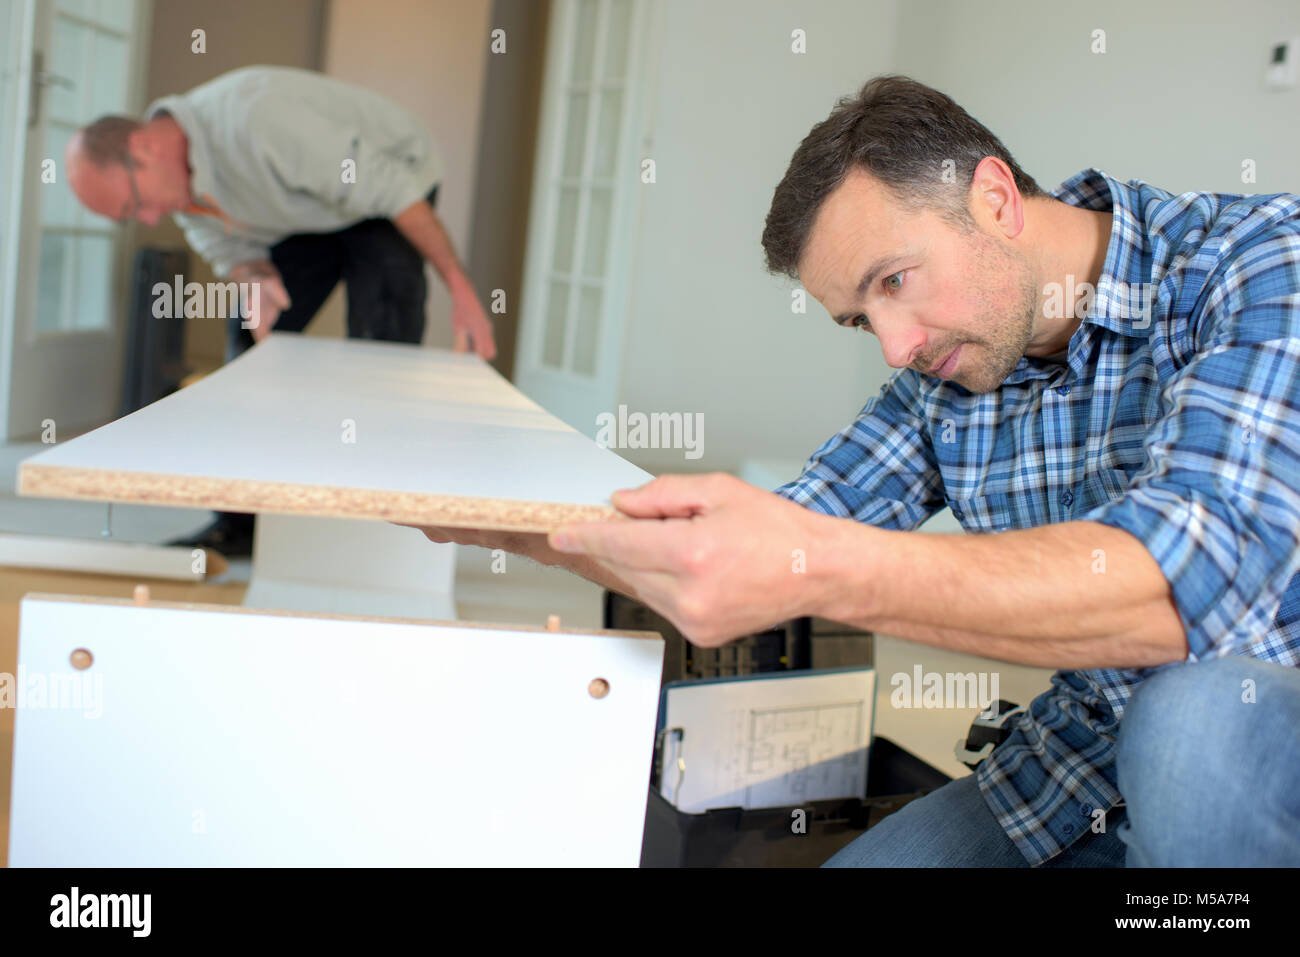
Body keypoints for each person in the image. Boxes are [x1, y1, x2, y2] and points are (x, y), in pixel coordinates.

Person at [414, 76, 1300, 867]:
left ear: (994, 198)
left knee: (1189, 724)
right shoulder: (950, 370)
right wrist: (507, 521)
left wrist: (820, 562)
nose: (898, 345)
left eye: (897, 279)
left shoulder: (1258, 263)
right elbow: (767, 532)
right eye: (858, 319)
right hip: (1072, 769)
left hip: (1246, 749)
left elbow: (1182, 587)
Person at [66, 65, 496, 556]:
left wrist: (462, 292)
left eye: (134, 205)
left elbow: (393, 191)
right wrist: (258, 279)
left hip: (390, 183)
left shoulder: (258, 123)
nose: (148, 218)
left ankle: (383, 539)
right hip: (306, 209)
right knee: (248, 343)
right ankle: (239, 524)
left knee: (384, 340)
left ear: (145, 150)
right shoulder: (179, 189)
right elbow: (233, 252)